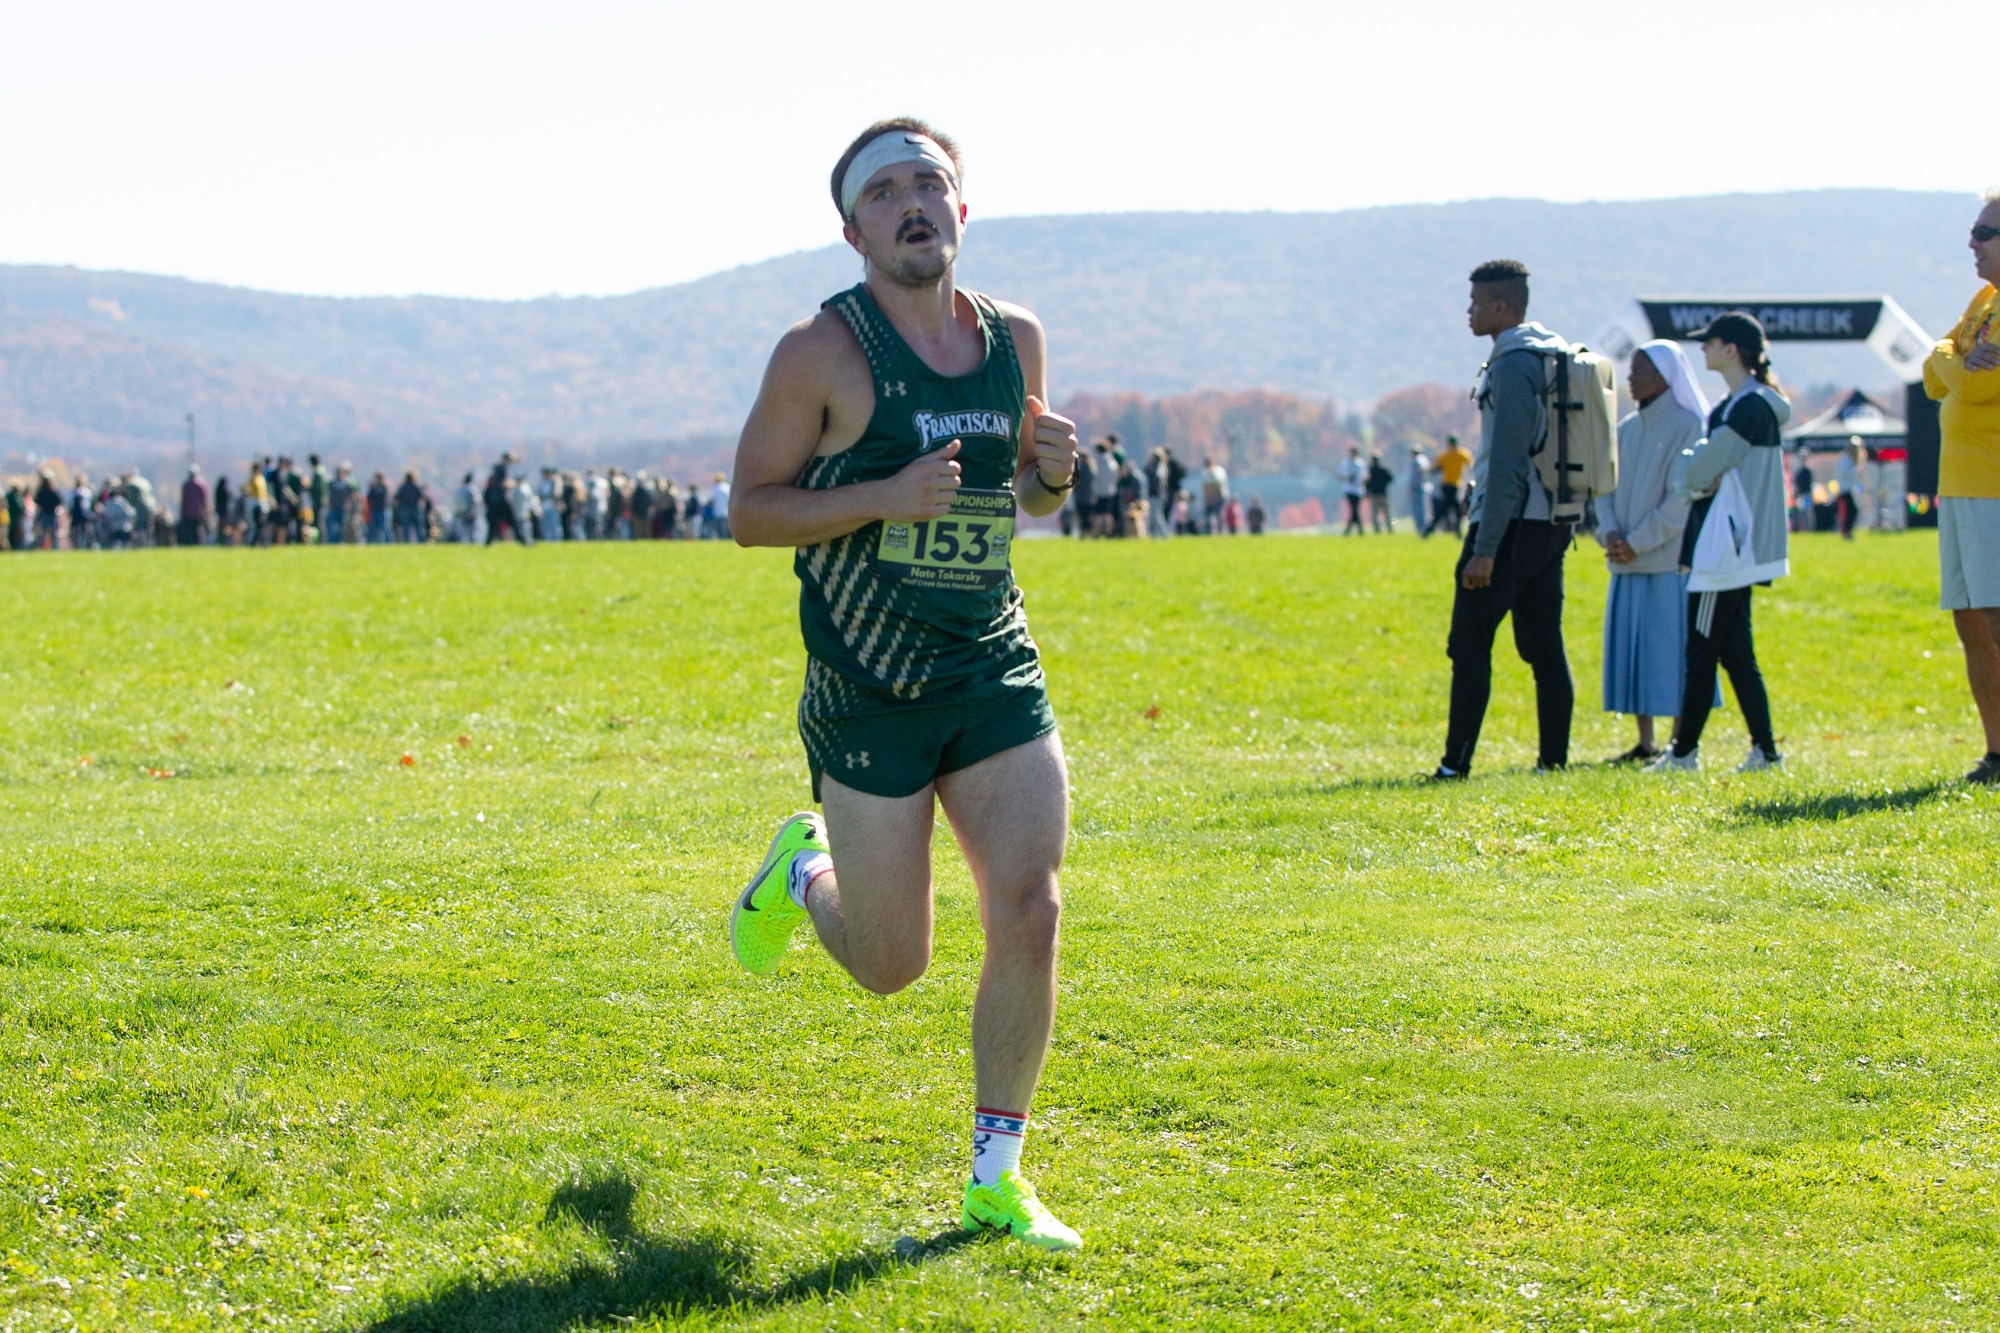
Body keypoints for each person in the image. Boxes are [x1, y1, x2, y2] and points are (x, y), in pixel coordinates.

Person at [724, 118, 1082, 1252]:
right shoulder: (818, 354)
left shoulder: (1012, 337)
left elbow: (1021, 498)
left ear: (961, 214)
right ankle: (804, 866)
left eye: (931, 182)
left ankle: (996, 1176)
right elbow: (749, 511)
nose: (913, 201)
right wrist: (880, 494)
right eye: (885, 191)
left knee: (1029, 908)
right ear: (853, 231)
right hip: (868, 685)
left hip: (990, 666)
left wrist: (1051, 477)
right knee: (891, 964)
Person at [1431, 259, 1574, 780]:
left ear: (1500, 306)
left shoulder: (1514, 366)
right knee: (1544, 646)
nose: (1468, 312)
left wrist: (1485, 548)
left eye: (1475, 302)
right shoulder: (1550, 357)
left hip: (1510, 524)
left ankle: (1455, 764)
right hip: (1549, 524)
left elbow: (1510, 465)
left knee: (1469, 644)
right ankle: (1553, 762)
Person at [1649, 311, 1792, 774]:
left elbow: (1693, 471)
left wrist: (1692, 475)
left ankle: (1685, 754)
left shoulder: (1747, 408)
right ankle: (1766, 752)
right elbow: (1700, 470)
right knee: (1734, 652)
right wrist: (1696, 474)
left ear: (1732, 349)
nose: (1702, 349)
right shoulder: (1740, 405)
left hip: (1725, 548)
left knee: (1702, 649)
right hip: (1730, 544)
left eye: (1709, 342)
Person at [1598, 341, 1706, 763]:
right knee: (1634, 650)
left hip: (1666, 560)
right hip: (1624, 561)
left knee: (1671, 651)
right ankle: (1646, 742)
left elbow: (1679, 501)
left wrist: (1637, 542)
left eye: (1640, 370)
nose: (1631, 377)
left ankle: (1679, 738)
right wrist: (1609, 535)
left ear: (1664, 377)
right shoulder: (1624, 429)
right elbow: (1602, 489)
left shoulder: (1688, 426)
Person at [1924, 190, 2000, 785]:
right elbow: (1933, 373)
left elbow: (1970, 390)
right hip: (1960, 488)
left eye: (1984, 232)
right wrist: (1953, 354)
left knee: (1997, 620)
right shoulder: (1984, 301)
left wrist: (1949, 361)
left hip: (1994, 489)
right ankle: (1995, 751)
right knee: (1970, 622)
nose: (1971, 242)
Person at [1431, 434, 1472, 536]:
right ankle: (1457, 531)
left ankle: (1430, 529)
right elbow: (1470, 466)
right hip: (1455, 485)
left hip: (1446, 485)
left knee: (1447, 508)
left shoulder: (1445, 455)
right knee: (1454, 509)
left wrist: (1424, 471)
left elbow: (1434, 468)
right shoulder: (1463, 453)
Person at [1834, 438, 1866, 539]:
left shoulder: (1852, 460)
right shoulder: (1845, 459)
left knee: (1853, 512)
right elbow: (1846, 474)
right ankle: (1846, 532)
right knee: (1848, 513)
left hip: (1851, 491)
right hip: (1845, 490)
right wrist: (1855, 470)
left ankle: (1848, 532)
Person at [178, 467, 210, 546]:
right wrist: (206, 512)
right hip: (198, 512)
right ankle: (198, 544)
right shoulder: (202, 484)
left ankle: (190, 544)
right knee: (198, 530)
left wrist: (182, 512)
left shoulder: (186, 485)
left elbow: (183, 501)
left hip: (188, 512)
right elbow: (205, 500)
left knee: (189, 531)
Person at [1339, 446, 1366, 535]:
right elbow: (1340, 475)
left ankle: (1348, 530)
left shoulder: (1361, 463)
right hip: (1350, 490)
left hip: (1358, 490)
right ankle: (1360, 530)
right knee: (1354, 510)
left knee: (1355, 510)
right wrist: (1347, 477)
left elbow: (1365, 475)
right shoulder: (1346, 463)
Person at [1366, 451, 1395, 533]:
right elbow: (1390, 479)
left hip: (1374, 494)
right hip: (1383, 494)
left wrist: (1367, 492)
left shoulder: (1370, 470)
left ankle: (1377, 531)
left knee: (1375, 515)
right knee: (1387, 514)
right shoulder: (1383, 470)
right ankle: (1390, 530)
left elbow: (1367, 483)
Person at [1407, 449, 1432, 538]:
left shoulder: (1416, 461)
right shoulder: (1424, 459)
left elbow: (1414, 476)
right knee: (1425, 509)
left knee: (1418, 509)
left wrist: (1410, 488)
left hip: (1417, 487)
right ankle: (1425, 527)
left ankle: (1421, 528)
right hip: (1425, 486)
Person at [1200, 455, 1228, 534]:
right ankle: (1208, 532)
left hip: (1219, 497)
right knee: (1207, 516)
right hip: (1209, 498)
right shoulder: (1204, 472)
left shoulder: (1219, 471)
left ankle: (1220, 532)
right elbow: (1204, 487)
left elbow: (1218, 484)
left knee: (1218, 514)